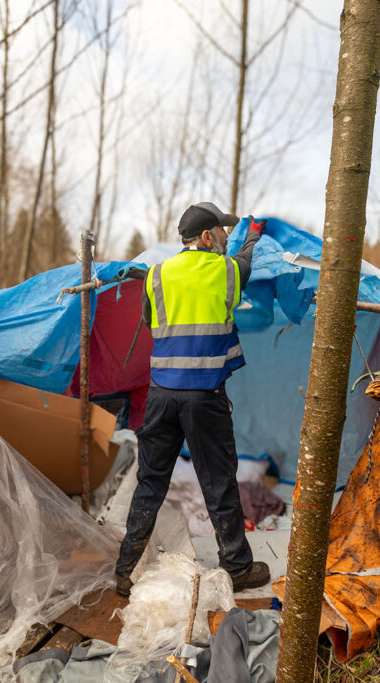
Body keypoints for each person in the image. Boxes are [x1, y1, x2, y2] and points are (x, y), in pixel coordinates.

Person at [115, 202, 269, 597]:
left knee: (150, 482)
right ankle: (237, 567)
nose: (227, 238)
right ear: (206, 236)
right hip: (204, 396)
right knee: (218, 483)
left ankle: (125, 571)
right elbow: (245, 263)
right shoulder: (224, 270)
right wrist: (253, 235)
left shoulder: (156, 275)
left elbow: (150, 320)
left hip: (161, 395)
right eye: (222, 231)